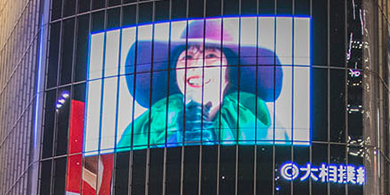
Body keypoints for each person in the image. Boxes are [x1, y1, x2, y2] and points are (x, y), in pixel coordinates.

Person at [115, 22, 282, 149]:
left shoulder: (256, 118)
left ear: (229, 73)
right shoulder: (150, 124)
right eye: (187, 57)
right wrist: (177, 142)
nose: (196, 66)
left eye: (210, 56)